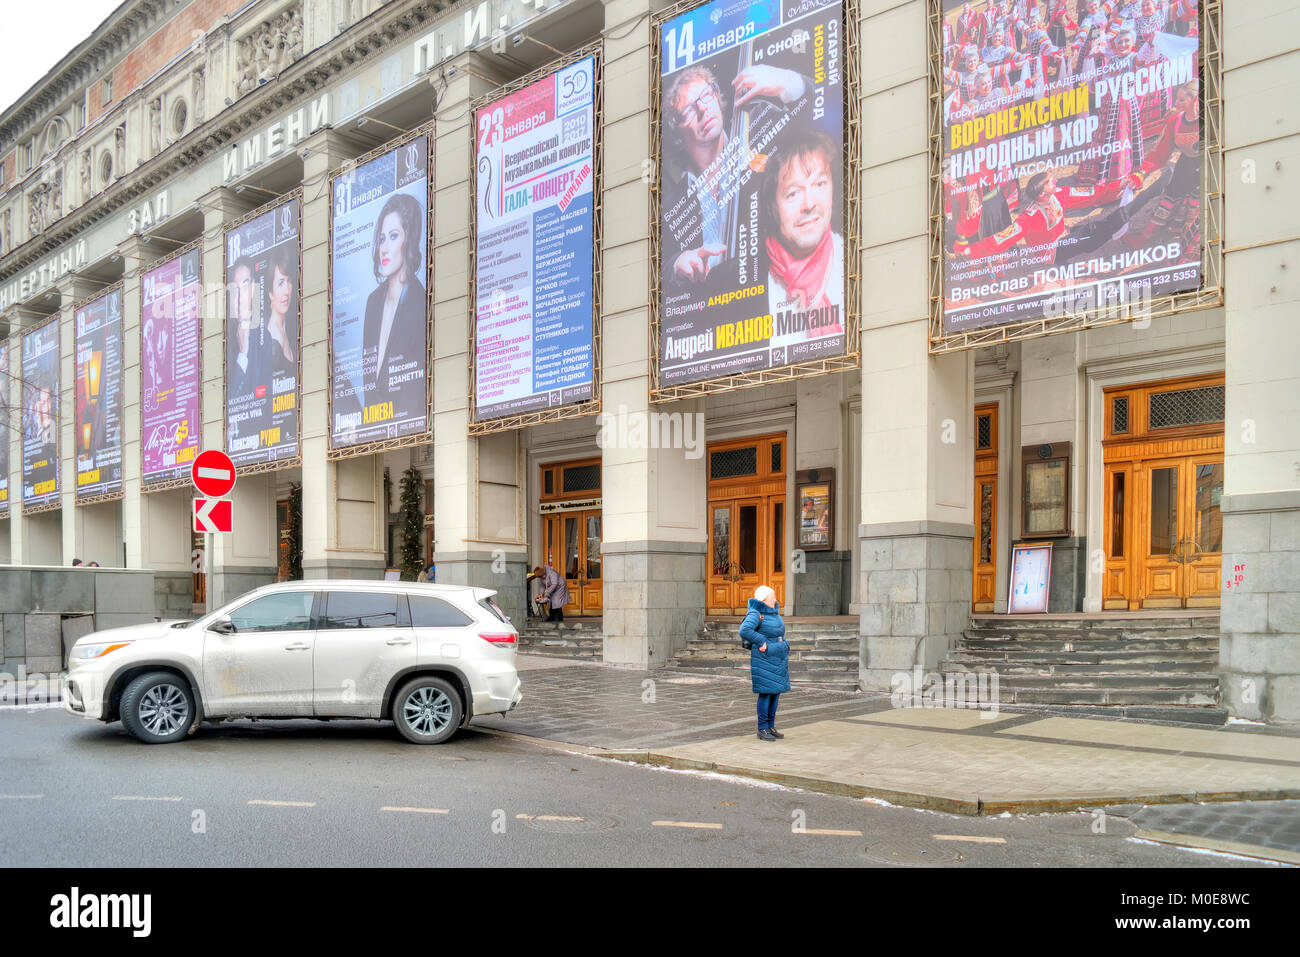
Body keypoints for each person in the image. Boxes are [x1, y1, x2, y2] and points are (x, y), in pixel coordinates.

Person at [760, 128, 844, 335]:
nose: (809, 204)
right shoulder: (746, 282)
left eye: (819, 184)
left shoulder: (854, 260)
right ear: (773, 206)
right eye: (793, 193)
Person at [362, 192, 426, 410]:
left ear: (408, 239)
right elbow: (368, 383)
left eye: (393, 236)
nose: (384, 248)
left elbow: (415, 391)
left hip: (408, 426)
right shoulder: (372, 303)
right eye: (381, 238)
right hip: (373, 431)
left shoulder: (420, 303)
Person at [740, 585, 789, 741]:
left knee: (775, 692)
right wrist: (762, 641)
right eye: (772, 596)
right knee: (766, 692)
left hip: (778, 656)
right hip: (764, 657)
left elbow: (780, 633)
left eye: (774, 595)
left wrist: (785, 645)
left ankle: (771, 726)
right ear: (763, 598)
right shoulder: (756, 613)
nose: (775, 598)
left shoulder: (774, 613)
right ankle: (762, 728)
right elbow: (745, 630)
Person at [227, 255, 268, 401]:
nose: (239, 298)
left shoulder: (265, 337)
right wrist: (242, 355)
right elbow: (226, 402)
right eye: (235, 289)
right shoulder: (226, 342)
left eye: (245, 286)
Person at [266, 246, 297, 378]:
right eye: (280, 283)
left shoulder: (290, 327)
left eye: (288, 282)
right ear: (271, 293)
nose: (286, 291)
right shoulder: (272, 342)